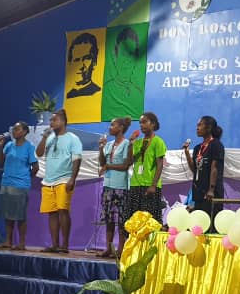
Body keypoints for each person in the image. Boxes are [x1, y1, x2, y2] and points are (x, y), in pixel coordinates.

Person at [35, 109, 83, 252]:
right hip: (48, 180)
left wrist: (72, 178)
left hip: (64, 178)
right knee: (52, 212)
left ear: (62, 121)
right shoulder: (50, 138)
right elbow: (38, 153)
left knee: (63, 210)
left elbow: (77, 159)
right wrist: (44, 138)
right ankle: (55, 244)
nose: (51, 122)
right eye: (50, 120)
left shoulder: (73, 138)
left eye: (54, 120)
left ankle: (65, 245)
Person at [0, 121, 38, 250]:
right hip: (6, 182)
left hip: (21, 185)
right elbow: (1, 161)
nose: (14, 131)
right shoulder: (9, 145)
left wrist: (25, 178)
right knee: (8, 214)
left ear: (24, 132)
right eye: (13, 129)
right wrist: (0, 146)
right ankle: (8, 241)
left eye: (17, 129)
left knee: (20, 215)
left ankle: (21, 243)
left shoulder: (29, 147)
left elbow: (35, 167)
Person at [98, 116, 133, 258]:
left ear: (121, 128)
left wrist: (108, 166)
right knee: (109, 219)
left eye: (113, 125)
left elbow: (125, 165)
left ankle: (120, 249)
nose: (110, 127)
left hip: (120, 186)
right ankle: (109, 248)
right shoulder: (109, 144)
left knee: (121, 219)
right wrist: (101, 148)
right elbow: (102, 163)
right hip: (108, 185)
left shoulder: (126, 144)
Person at [182, 116, 225, 226]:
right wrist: (187, 153)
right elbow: (194, 169)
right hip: (198, 191)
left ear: (209, 127)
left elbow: (215, 168)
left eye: (200, 125)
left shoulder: (216, 145)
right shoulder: (198, 148)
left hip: (210, 192)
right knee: (199, 224)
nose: (197, 128)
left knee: (210, 222)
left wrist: (211, 189)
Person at [127, 112, 167, 224]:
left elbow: (160, 165)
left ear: (153, 124)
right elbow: (130, 161)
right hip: (136, 185)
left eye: (144, 122)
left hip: (150, 186)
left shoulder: (158, 142)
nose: (141, 125)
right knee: (135, 221)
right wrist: (130, 144)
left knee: (149, 221)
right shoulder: (138, 142)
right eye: (140, 123)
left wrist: (153, 185)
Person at [65, 33, 101, 98]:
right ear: (69, 63)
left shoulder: (97, 93)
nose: (81, 66)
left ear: (94, 61)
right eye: (76, 60)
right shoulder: (67, 95)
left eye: (87, 58)